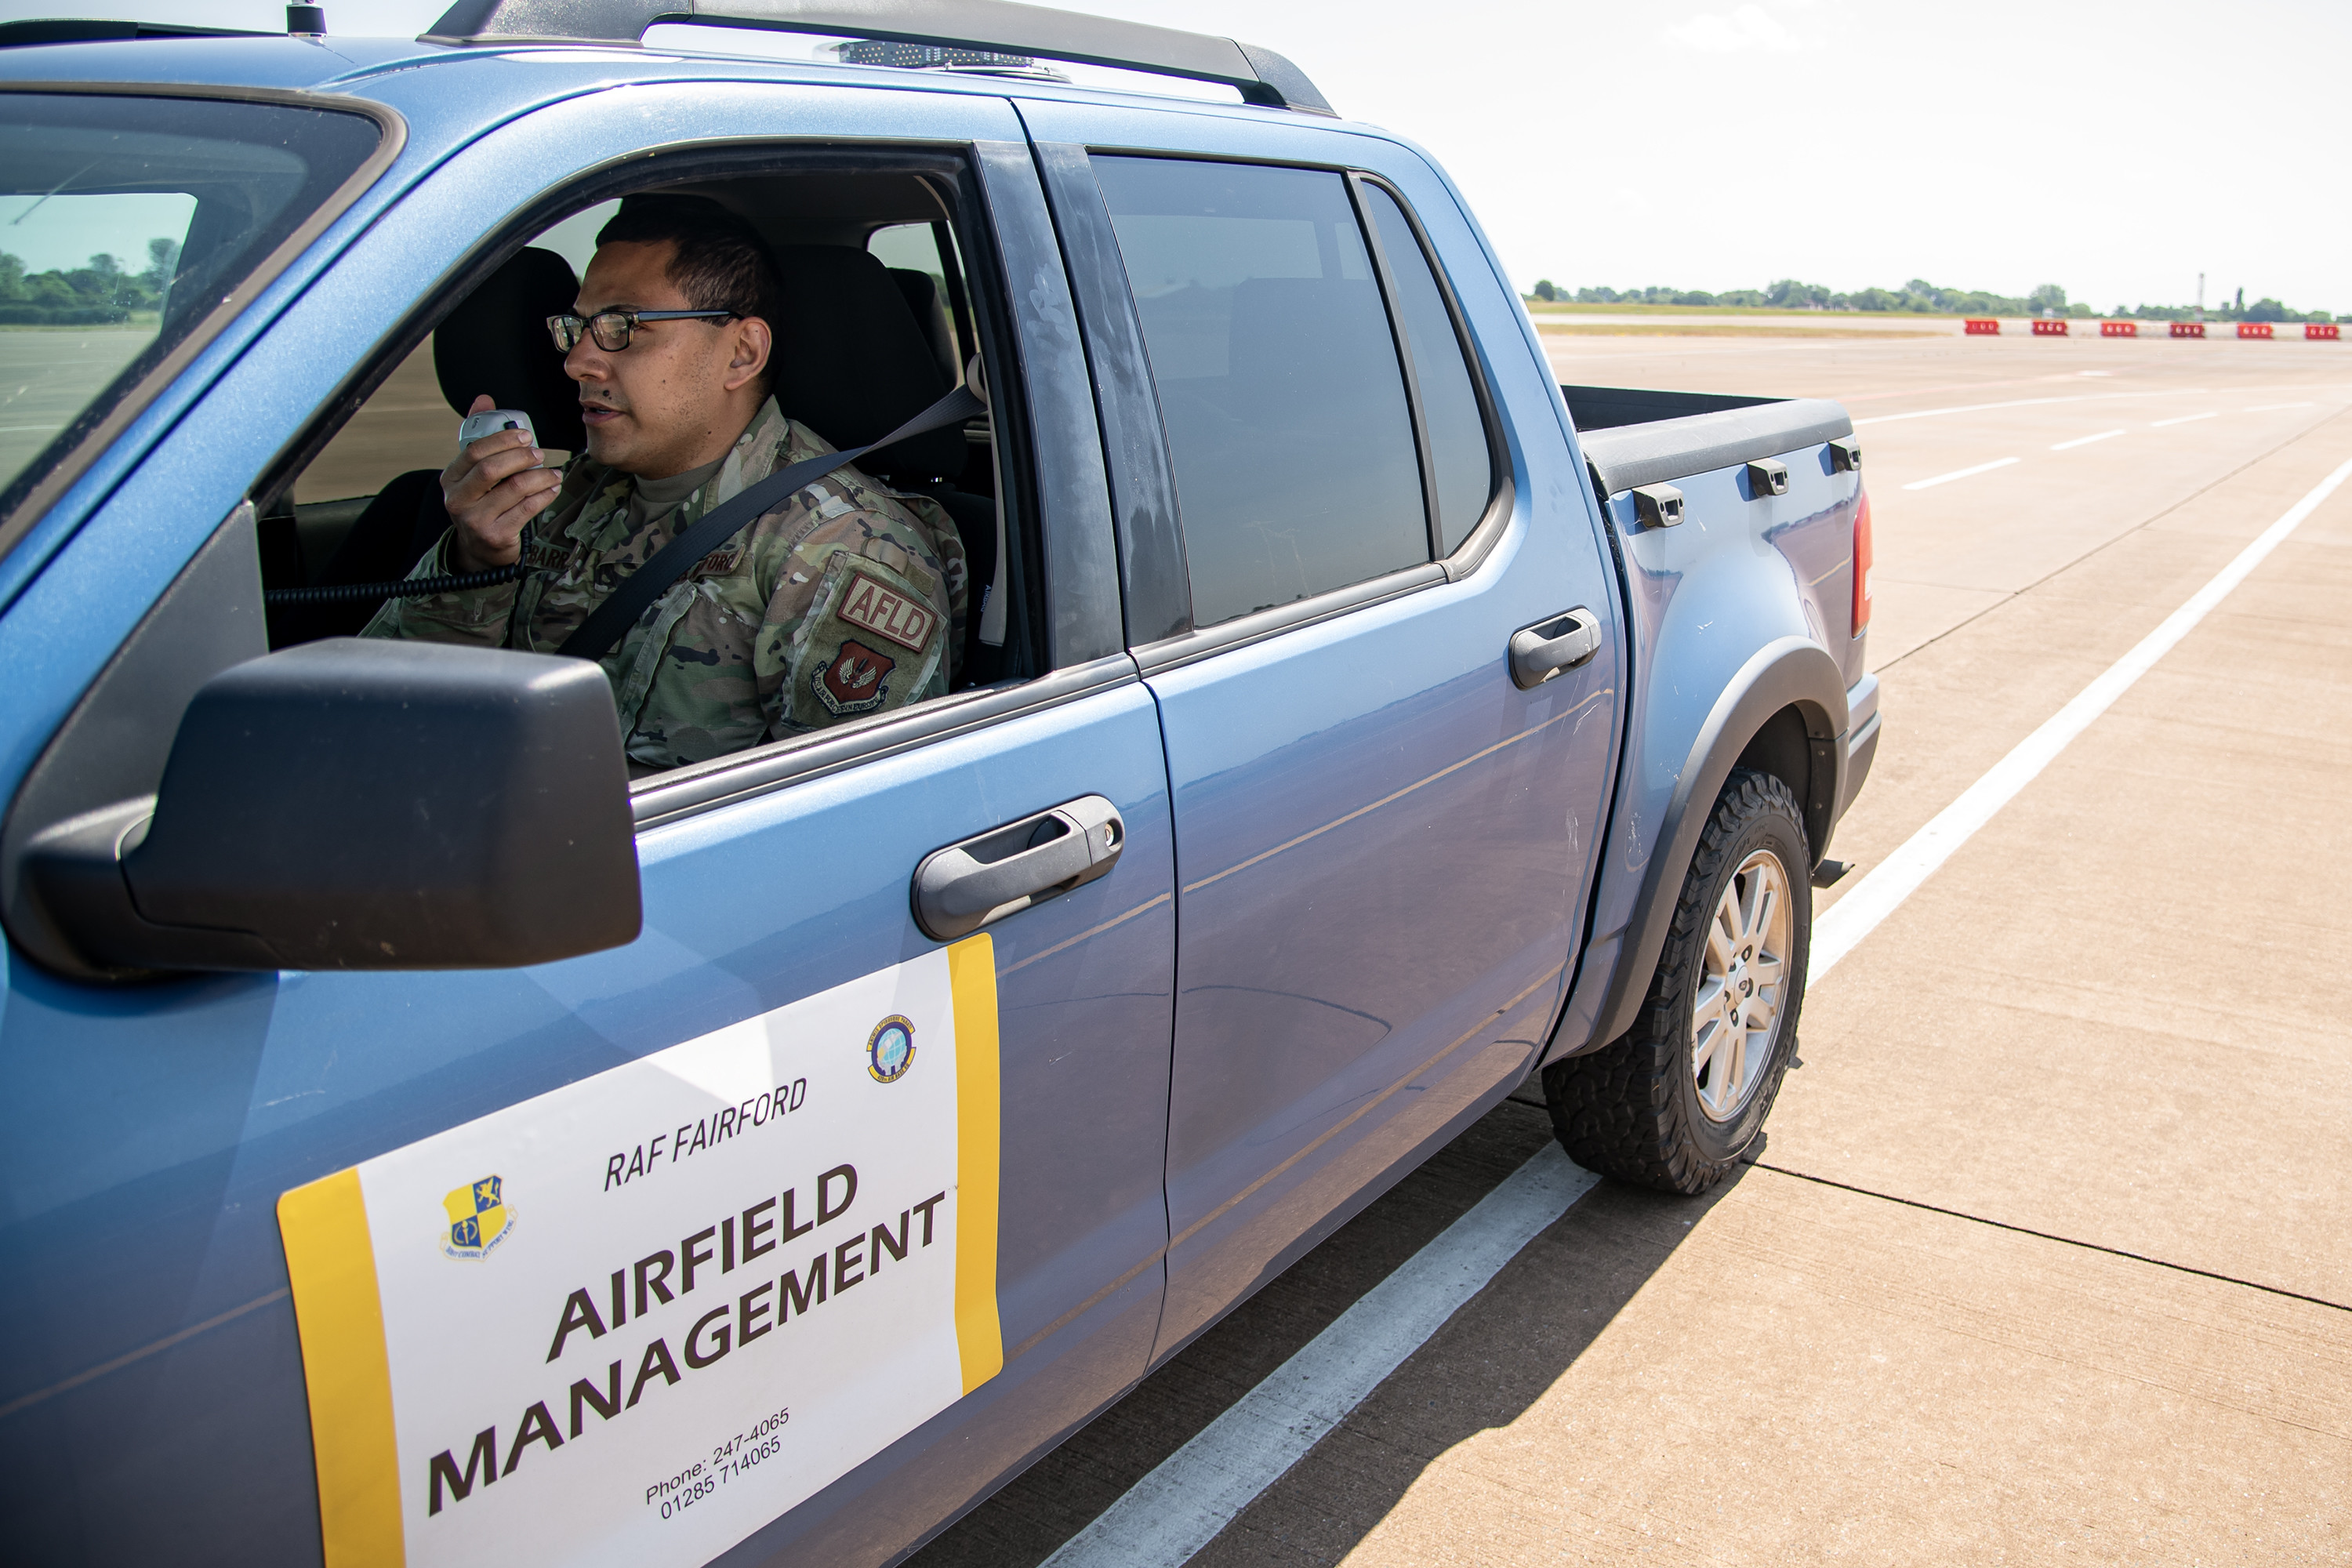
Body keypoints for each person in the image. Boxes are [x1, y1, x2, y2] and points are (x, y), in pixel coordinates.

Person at [364, 195, 967, 770]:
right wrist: (475, 564)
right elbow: (389, 699)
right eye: (578, 329)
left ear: (741, 354)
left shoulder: (842, 549)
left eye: (624, 325)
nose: (577, 363)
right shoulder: (561, 495)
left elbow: (840, 826)